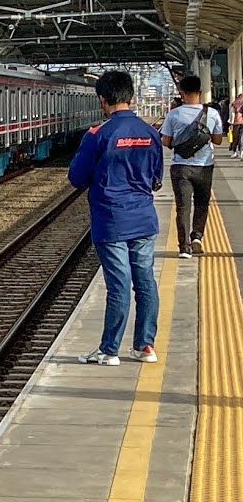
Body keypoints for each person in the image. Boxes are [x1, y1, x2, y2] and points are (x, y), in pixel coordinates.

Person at [69, 70, 163, 366]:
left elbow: (76, 178)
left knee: (119, 284)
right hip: (144, 218)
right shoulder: (151, 133)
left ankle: (109, 350)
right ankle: (145, 346)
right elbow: (156, 178)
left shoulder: (98, 134)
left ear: (102, 100)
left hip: (111, 220)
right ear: (132, 98)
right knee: (145, 281)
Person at [160, 75, 224, 258]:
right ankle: (197, 237)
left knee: (183, 207)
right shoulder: (212, 114)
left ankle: (184, 247)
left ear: (181, 93)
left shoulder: (173, 114)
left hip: (181, 167)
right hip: (205, 166)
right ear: (200, 92)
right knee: (202, 203)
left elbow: (166, 141)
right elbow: (218, 140)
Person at [231, 91, 243, 158]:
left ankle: (234, 152)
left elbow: (232, 115)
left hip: (236, 123)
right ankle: (241, 152)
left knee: (235, 138)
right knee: (241, 138)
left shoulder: (234, 104)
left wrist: (231, 123)